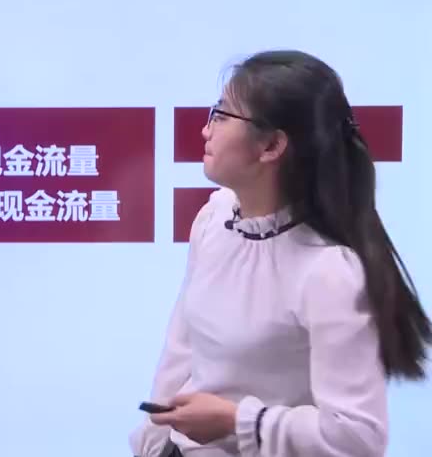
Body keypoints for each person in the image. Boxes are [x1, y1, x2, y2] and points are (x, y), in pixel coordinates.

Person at [128, 50, 431, 456]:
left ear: (271, 145)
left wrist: (238, 421)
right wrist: (152, 444)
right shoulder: (215, 217)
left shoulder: (329, 272)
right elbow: (181, 350)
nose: (205, 130)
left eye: (222, 116)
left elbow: (358, 438)